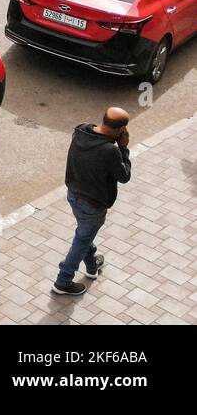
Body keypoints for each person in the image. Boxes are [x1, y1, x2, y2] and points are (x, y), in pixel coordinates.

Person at [52, 108, 132, 296]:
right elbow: (124, 176)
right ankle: (63, 280)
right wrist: (123, 148)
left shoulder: (81, 131)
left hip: (73, 195)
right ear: (121, 130)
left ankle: (91, 265)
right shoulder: (110, 150)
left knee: (84, 234)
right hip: (93, 205)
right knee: (81, 240)